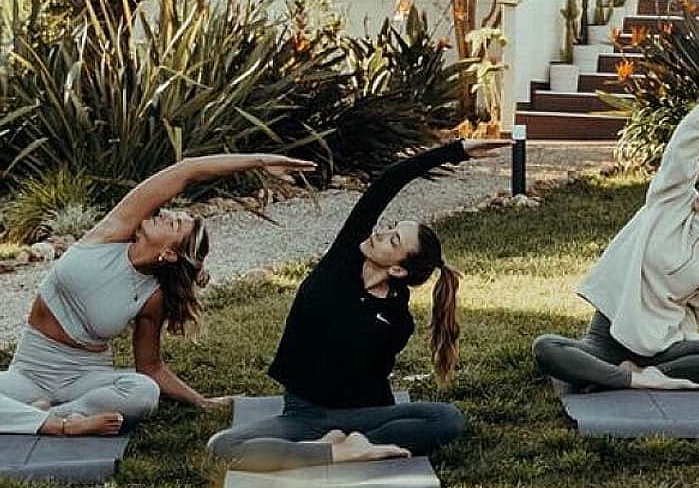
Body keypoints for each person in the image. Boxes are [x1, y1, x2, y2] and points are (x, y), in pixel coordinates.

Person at [0, 153, 315, 436]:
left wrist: (201, 401)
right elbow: (185, 170)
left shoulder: (152, 296)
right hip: (29, 372)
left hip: (85, 379)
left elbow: (151, 369)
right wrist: (259, 162)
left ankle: (50, 415)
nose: (168, 213)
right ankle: (55, 423)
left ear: (169, 253)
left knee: (142, 393)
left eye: (176, 223)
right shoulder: (112, 232)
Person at [206, 138, 510, 470]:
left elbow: (374, 382)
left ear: (396, 269)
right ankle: (340, 452)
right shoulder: (341, 262)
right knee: (224, 445)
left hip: (361, 417)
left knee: (447, 418)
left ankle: (352, 445)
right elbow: (389, 181)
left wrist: (377, 422)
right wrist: (458, 150)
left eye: (393, 239)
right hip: (304, 414)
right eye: (390, 228)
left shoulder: (397, 318)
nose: (381, 233)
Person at [533, 66, 699, 392]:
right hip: (608, 335)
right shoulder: (672, 199)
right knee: (546, 348)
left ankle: (623, 375)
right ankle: (634, 379)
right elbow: (685, 142)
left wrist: (676, 335)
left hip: (662, 347)